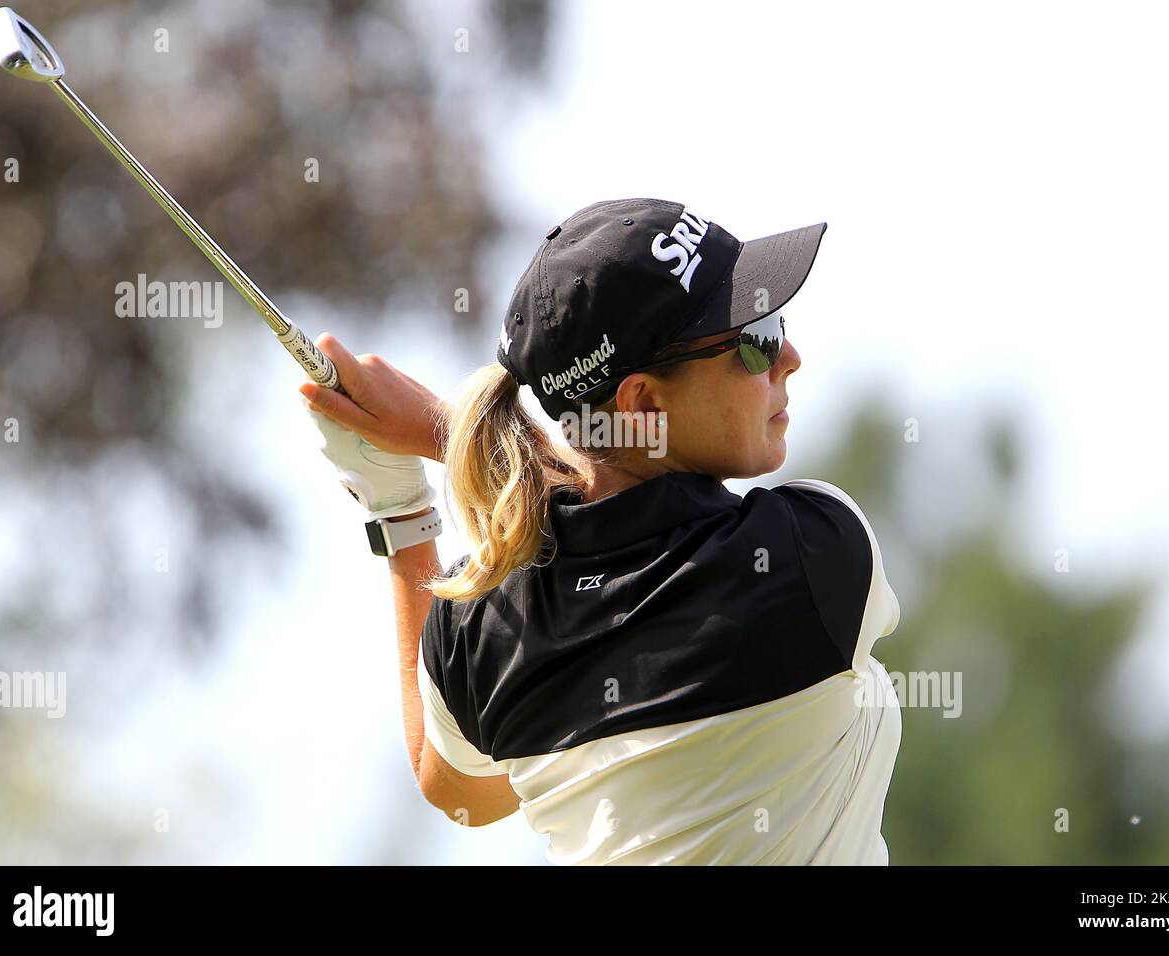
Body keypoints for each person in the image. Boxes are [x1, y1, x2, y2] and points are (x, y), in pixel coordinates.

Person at [300, 198, 902, 865]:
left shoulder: (480, 635)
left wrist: (400, 506)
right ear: (643, 404)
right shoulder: (811, 553)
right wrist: (445, 432)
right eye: (754, 338)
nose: (789, 356)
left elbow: (459, 790)